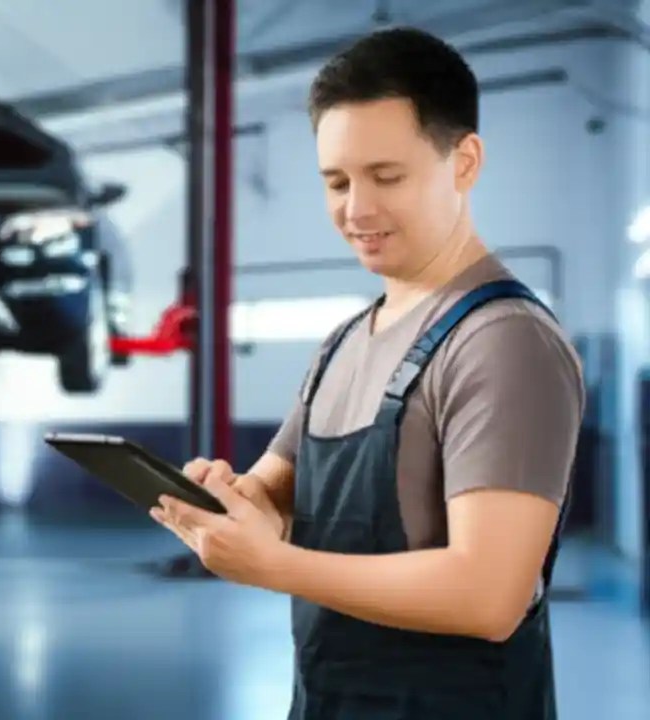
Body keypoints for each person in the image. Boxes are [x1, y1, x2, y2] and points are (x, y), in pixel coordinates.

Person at [151, 27, 584, 719]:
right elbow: (276, 487)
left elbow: (490, 596)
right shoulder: (345, 341)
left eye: (387, 177)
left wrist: (273, 565)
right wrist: (228, 502)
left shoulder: (504, 342)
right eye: (337, 181)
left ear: (464, 161)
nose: (357, 210)